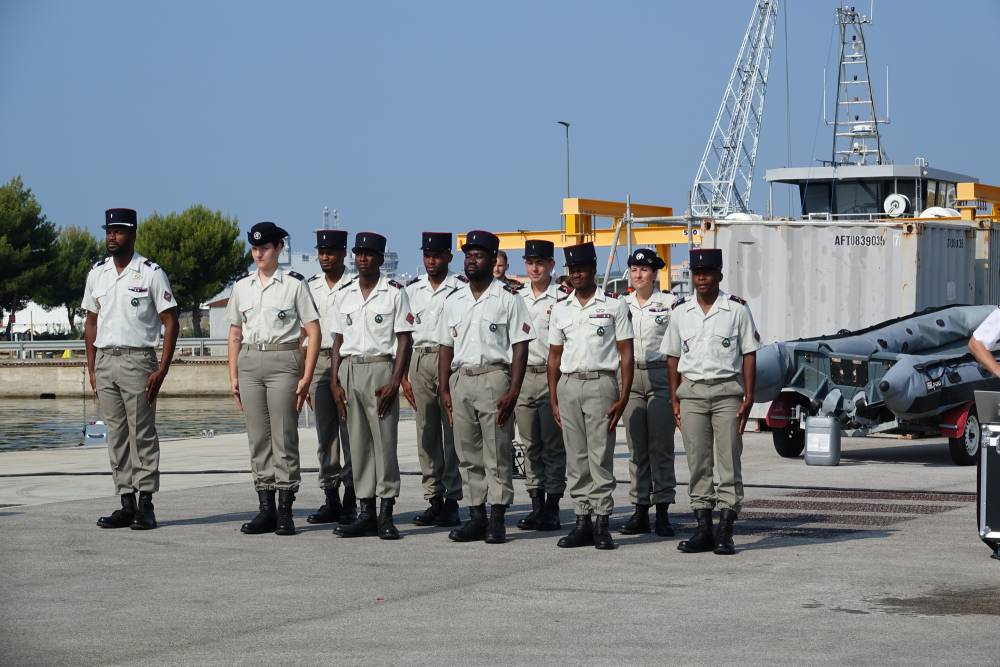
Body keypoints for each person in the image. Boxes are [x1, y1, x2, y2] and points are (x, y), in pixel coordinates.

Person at [85, 208, 179, 531]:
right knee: (117, 435)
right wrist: (92, 368)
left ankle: (146, 504)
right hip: (105, 359)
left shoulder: (150, 273)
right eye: (109, 231)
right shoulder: (97, 273)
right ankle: (125, 501)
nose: (112, 236)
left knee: (142, 434)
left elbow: (171, 321)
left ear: (133, 234)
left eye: (119, 231)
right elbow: (90, 322)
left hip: (139, 361)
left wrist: (162, 369)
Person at [437, 230, 533, 544]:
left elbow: (520, 346)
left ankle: (498, 517)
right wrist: (445, 389)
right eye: (468, 255)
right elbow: (445, 346)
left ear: (493, 260)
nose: (471, 260)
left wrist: (514, 390)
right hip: (462, 378)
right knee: (467, 453)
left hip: (494, 378)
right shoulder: (454, 300)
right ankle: (476, 515)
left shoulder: (508, 298)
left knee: (497, 452)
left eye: (478, 255)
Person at [226, 222, 321, 536]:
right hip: (251, 360)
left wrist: (306, 375)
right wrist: (233, 375)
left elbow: (313, 331)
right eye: (254, 248)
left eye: (265, 248)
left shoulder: (293, 284)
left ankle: (285, 509)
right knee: (258, 437)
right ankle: (265, 507)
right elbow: (235, 332)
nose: (258, 254)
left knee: (283, 435)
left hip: (284, 358)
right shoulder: (242, 287)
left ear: (279, 247)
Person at [664, 248, 760, 555]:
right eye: (697, 273)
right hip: (691, 393)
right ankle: (703, 528)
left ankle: (725, 530)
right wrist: (674, 399)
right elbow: (672, 357)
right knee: (697, 462)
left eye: (707, 272)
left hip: (726, 393)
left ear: (719, 274)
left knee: (729, 460)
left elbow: (749, 354)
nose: (702, 278)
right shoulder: (680, 311)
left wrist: (749, 395)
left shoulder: (737, 310)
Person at [548, 242, 634, 550]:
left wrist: (623, 395)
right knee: (576, 457)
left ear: (594, 270)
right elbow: (554, 357)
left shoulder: (614, 305)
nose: (577, 275)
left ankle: (602, 522)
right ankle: (581, 520)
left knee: (600, 455)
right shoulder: (560, 309)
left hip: (601, 384)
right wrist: (554, 397)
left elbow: (626, 353)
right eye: (572, 270)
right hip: (569, 385)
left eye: (582, 269)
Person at [331, 232, 414, 540]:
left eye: (368, 253)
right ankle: (365, 512)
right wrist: (334, 380)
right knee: (358, 445)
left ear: (380, 258)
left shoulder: (393, 292)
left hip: (381, 368)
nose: (362, 258)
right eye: (358, 253)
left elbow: (405, 338)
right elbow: (337, 339)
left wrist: (396, 380)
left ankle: (386, 512)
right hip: (351, 368)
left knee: (384, 444)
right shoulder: (346, 293)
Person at [401, 232, 465, 528]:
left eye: (437, 255)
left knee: (452, 433)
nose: (431, 261)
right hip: (420, 358)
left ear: (449, 257)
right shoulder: (412, 291)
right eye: (427, 255)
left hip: (450, 359)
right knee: (426, 431)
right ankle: (433, 498)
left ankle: (452, 499)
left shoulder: (460, 288)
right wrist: (402, 375)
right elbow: (401, 335)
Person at [512, 239, 569, 531]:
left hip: (552, 377)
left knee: (553, 446)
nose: (534, 268)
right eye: (530, 262)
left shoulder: (562, 297)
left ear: (551, 265)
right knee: (530, 443)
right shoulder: (516, 296)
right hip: (523, 377)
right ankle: (536, 504)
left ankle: (553, 506)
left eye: (540, 263)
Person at [620, 248, 677, 537]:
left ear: (655, 273)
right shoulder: (622, 304)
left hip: (659, 374)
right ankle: (640, 508)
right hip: (631, 375)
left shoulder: (669, 303)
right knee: (636, 447)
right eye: (634, 269)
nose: (638, 274)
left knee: (661, 447)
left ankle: (664, 510)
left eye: (644, 270)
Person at [304, 229, 357, 526]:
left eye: (331, 252)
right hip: (320, 360)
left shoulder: (354, 284)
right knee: (326, 435)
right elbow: (304, 331)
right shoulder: (310, 287)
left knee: (350, 433)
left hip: (347, 361)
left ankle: (351, 497)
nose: (325, 257)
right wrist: (305, 375)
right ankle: (331, 498)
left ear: (343, 254)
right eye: (322, 252)